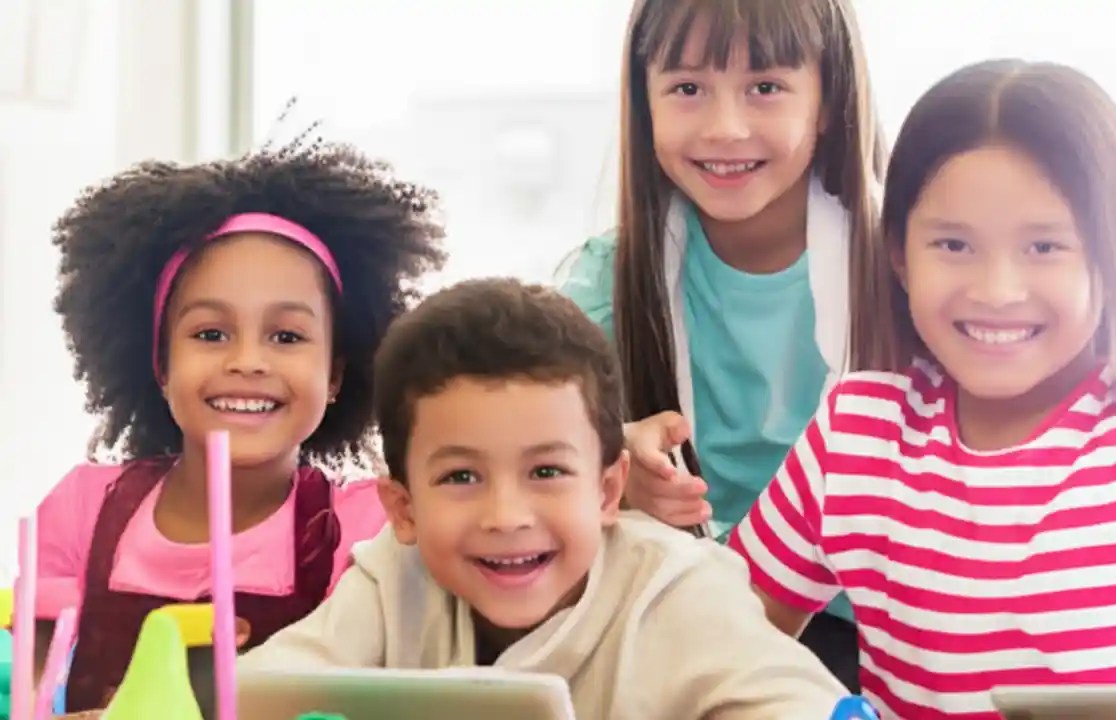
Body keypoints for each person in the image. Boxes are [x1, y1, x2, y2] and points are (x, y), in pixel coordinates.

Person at [729, 59, 1116, 719]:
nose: (996, 291)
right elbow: (722, 652)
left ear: (1112, 253)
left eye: (1045, 247)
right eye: (954, 245)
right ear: (900, 254)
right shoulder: (855, 434)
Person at [240, 278, 852, 720]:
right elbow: (256, 695)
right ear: (403, 509)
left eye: (547, 471)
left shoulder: (678, 592)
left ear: (608, 489)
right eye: (461, 478)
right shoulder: (390, 580)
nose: (507, 517)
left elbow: (800, 704)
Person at [36, 136, 446, 712]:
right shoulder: (85, 508)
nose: (248, 360)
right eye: (210, 334)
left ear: (335, 375)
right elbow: (32, 675)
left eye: (287, 336)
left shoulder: (363, 531)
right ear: (159, 363)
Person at [558, 0, 883, 686]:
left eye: (765, 87)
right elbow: (532, 455)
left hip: (878, 637)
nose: (725, 127)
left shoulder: (906, 272)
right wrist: (613, 466)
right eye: (687, 89)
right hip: (687, 628)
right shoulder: (606, 282)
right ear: (644, 106)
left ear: (828, 101)